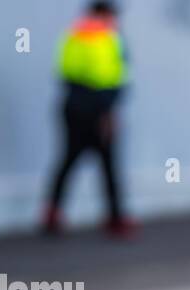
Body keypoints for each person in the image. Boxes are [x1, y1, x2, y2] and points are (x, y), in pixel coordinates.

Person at [42, 2, 136, 238]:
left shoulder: (73, 34)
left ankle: (52, 212)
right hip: (98, 110)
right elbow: (112, 78)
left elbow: (65, 72)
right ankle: (115, 218)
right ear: (103, 14)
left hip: (72, 106)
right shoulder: (108, 38)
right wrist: (107, 111)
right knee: (108, 164)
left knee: (68, 159)